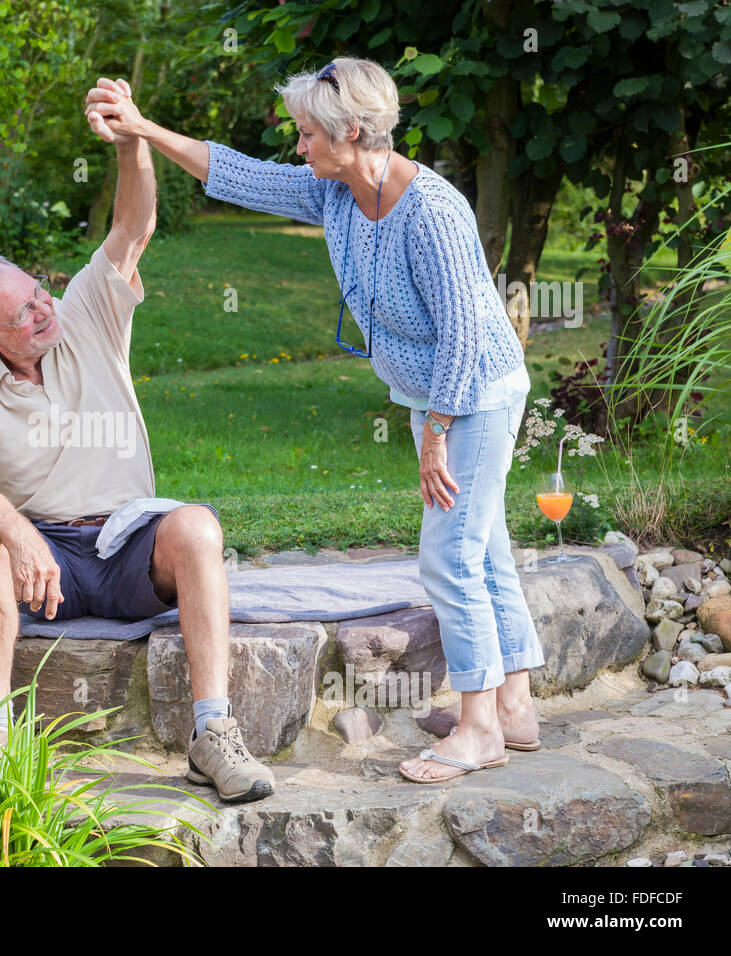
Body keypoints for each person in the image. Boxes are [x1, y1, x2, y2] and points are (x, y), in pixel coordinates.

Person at [85, 58, 545, 783]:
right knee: (483, 547)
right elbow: (233, 174)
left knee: (450, 554)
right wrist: (141, 128)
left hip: (476, 390)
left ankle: (479, 726)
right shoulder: (335, 193)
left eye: (307, 134)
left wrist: (435, 436)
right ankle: (512, 708)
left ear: (353, 131)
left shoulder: (433, 211)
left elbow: (462, 332)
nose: (298, 147)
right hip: (441, 391)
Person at [0, 80, 275, 803]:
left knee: (197, 526)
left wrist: (130, 144)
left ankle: (213, 734)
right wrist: (21, 536)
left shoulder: (85, 311)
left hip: (127, 548)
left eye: (38, 292)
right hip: (45, 564)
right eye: (21, 314)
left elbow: (133, 228)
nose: (41, 309)